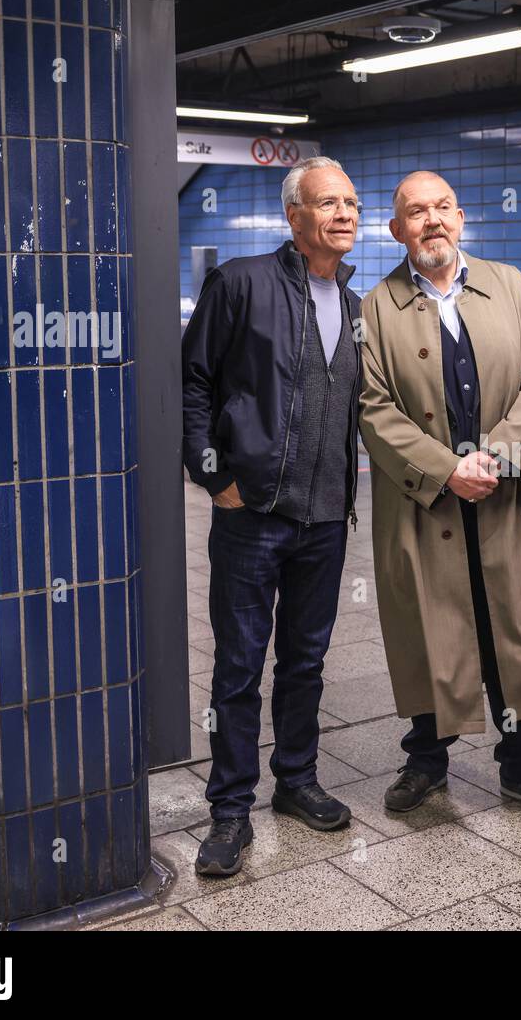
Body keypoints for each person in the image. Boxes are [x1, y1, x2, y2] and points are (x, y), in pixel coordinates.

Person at [357, 170, 521, 821]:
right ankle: (426, 761)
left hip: (509, 496)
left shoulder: (510, 286)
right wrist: (445, 470)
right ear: (397, 229)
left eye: (442, 208)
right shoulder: (375, 309)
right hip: (427, 501)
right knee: (435, 628)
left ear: (460, 218)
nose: (431, 220)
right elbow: (374, 409)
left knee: (517, 624)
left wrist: (500, 454)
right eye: (414, 212)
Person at [181, 157, 362, 875]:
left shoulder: (355, 303)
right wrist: (213, 474)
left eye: (351, 202)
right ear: (295, 217)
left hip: (324, 519)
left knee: (306, 661)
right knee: (237, 663)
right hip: (252, 513)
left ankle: (296, 778)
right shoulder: (241, 284)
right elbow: (192, 381)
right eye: (328, 203)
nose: (344, 213)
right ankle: (229, 809)